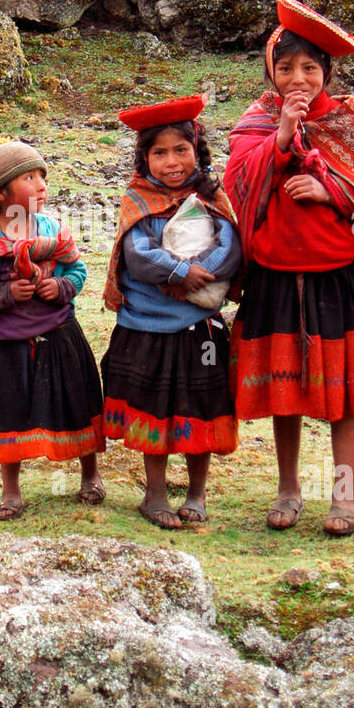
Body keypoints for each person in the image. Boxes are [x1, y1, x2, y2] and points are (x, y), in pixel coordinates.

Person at [225, 0, 354, 537]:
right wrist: (282, 136)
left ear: (326, 71)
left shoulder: (346, 123)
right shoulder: (257, 121)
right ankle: (287, 488)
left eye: (310, 68)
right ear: (271, 72)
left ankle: (345, 495)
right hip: (275, 275)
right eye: (286, 68)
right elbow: (239, 183)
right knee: (285, 387)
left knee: (343, 391)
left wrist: (328, 191)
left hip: (337, 276)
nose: (298, 78)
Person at [101, 96, 243, 529]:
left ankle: (197, 493)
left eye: (180, 150)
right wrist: (180, 270)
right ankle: (156, 493)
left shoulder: (211, 196)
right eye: (159, 153)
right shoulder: (138, 199)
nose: (171, 161)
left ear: (196, 149)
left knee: (201, 406)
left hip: (199, 327)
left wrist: (200, 275)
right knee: (154, 409)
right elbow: (137, 255)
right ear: (145, 158)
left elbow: (232, 248)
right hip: (148, 327)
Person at [0, 139, 105, 520]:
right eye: (29, 177)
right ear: (1, 192)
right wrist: (4, 292)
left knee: (78, 404)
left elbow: (79, 271)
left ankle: (90, 476)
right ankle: (11, 491)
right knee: (9, 413)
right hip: (7, 346)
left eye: (43, 177)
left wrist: (62, 287)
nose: (42, 186)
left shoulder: (53, 231)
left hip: (59, 336)